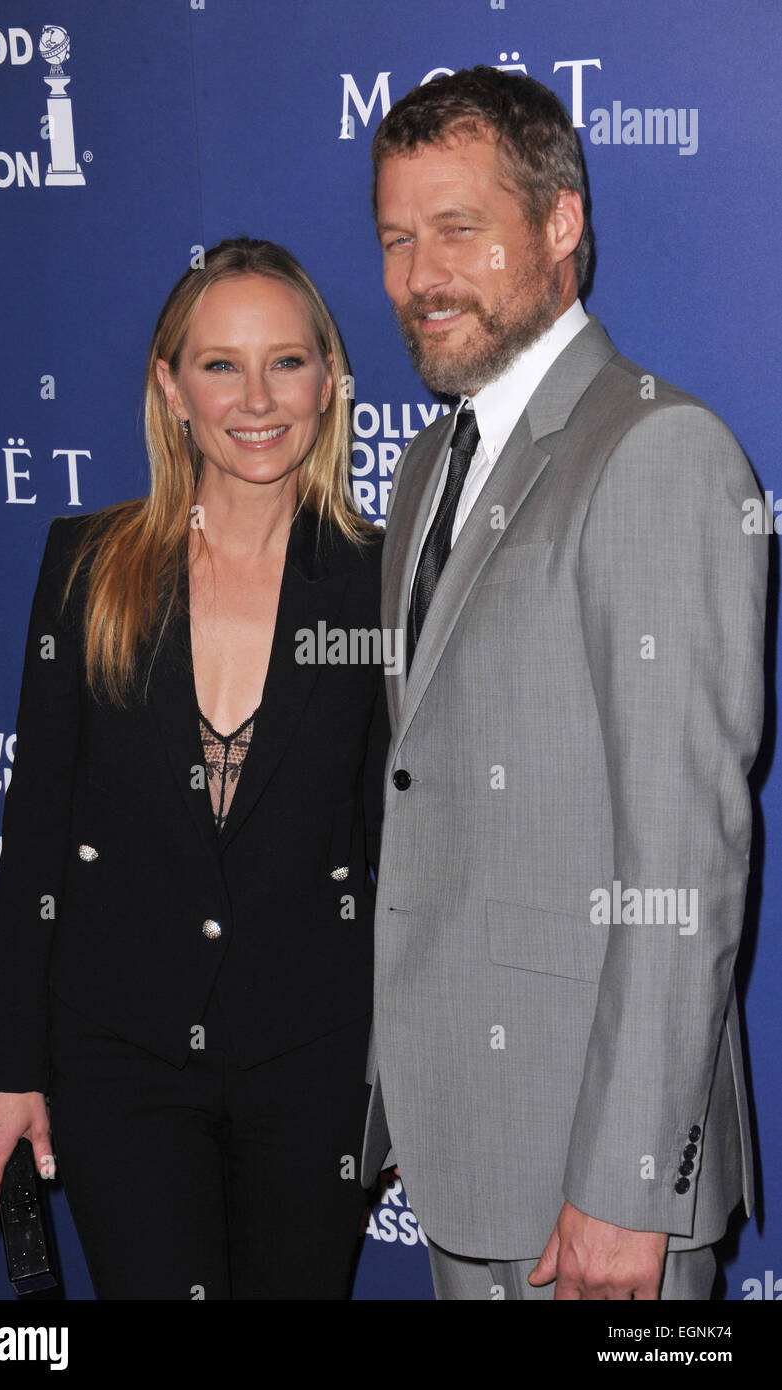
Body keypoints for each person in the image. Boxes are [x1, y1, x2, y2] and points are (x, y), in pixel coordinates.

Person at [360, 66, 767, 1301]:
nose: (420, 276)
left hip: (590, 1188)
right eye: (394, 238)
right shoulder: (433, 459)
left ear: (560, 227)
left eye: (459, 231)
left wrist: (626, 1186)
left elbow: (681, 860)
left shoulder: (657, 450)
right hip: (470, 1151)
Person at [0, 237, 389, 1300]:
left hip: (318, 1067)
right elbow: (40, 835)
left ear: (329, 382)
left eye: (287, 362)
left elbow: (406, 853)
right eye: (219, 365)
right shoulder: (89, 567)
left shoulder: (384, 584)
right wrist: (9, 1066)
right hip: (120, 1063)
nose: (257, 398)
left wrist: (420, 1074)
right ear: (170, 386)